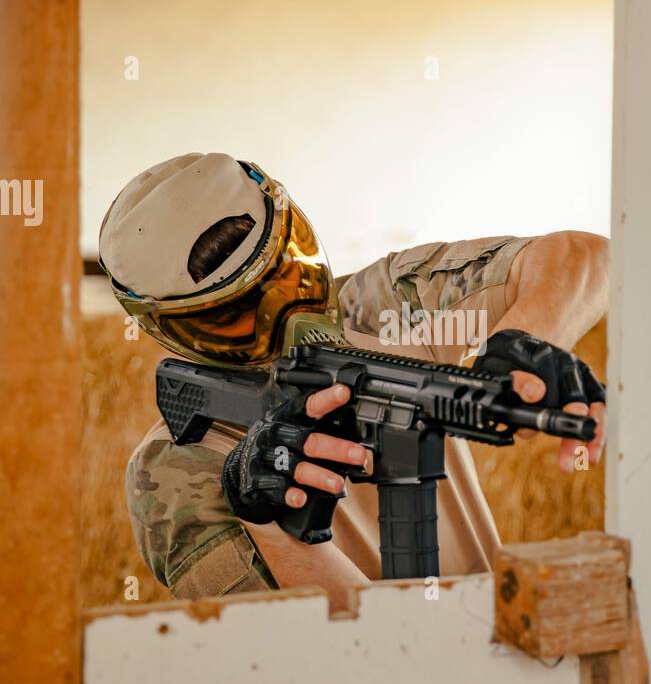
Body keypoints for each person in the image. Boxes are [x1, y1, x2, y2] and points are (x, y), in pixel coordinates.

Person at [99, 153, 609, 611]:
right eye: (236, 314)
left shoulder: (375, 308)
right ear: (170, 330)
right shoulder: (173, 469)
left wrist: (526, 341)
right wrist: (264, 515)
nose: (286, 313)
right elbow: (311, 655)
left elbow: (584, 256)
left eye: (285, 273)